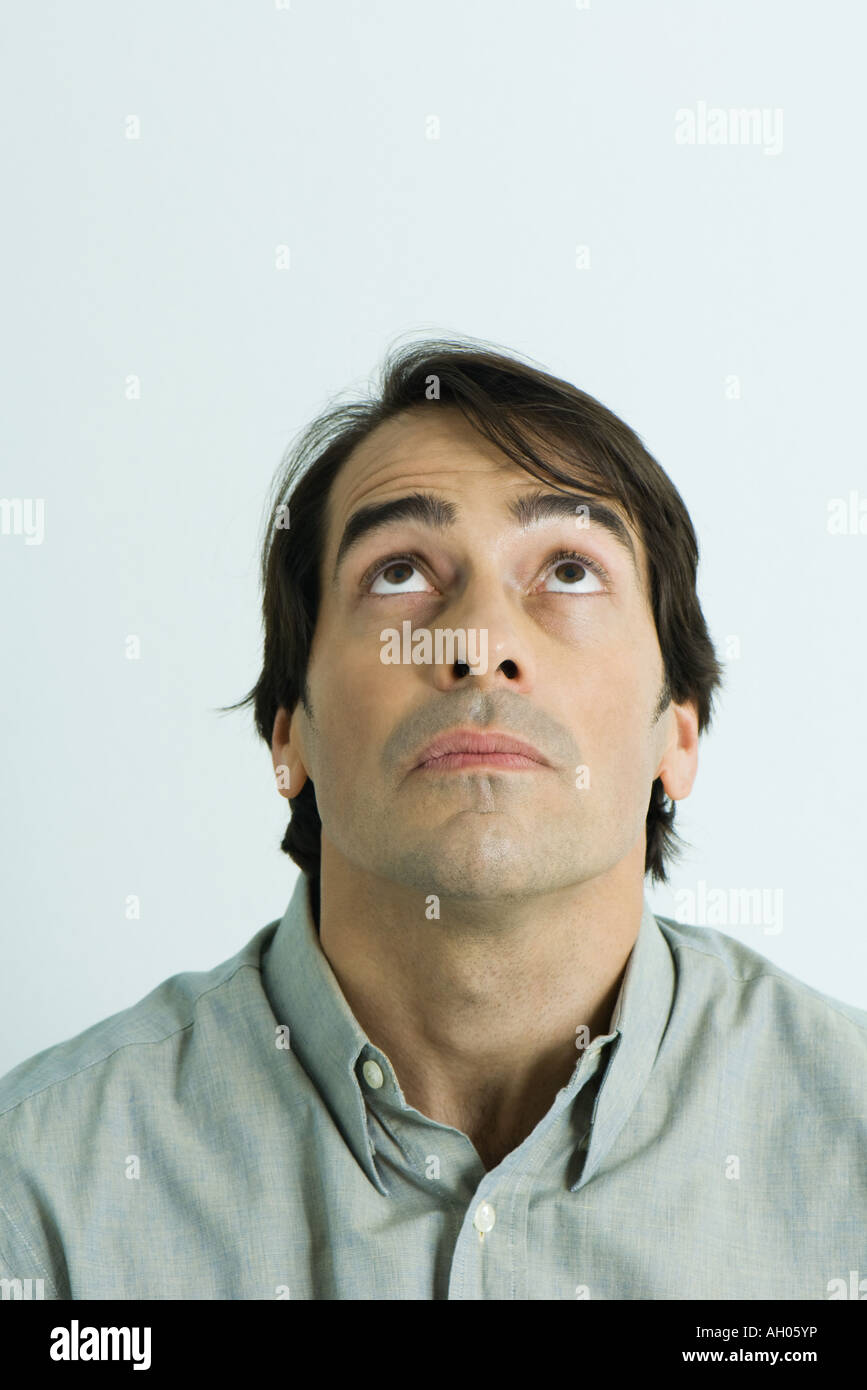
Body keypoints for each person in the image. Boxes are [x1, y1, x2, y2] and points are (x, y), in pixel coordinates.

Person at [1, 339, 865, 1302]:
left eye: (570, 572)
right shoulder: (37, 1198)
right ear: (290, 735)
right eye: (399, 571)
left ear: (680, 733)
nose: (479, 641)